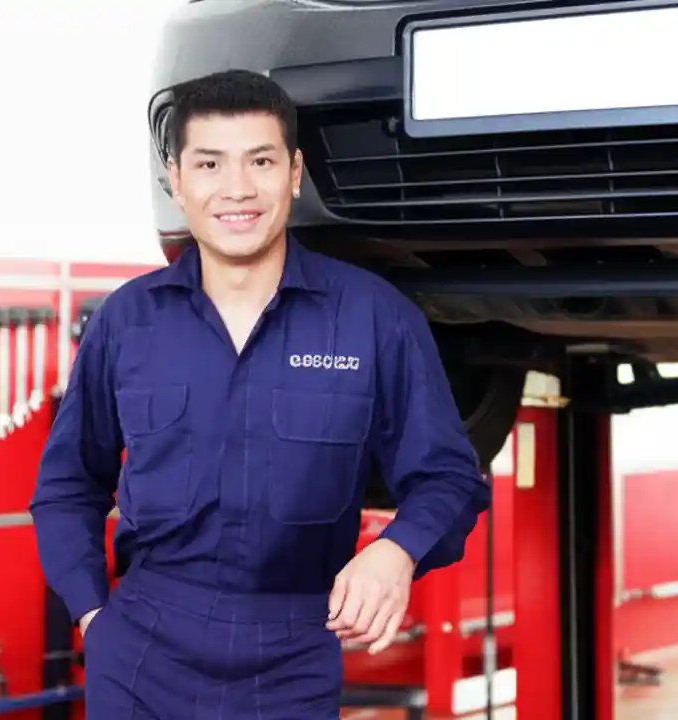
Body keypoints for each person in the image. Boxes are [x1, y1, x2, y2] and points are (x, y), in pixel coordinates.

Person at [29, 69, 491, 719]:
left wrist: (398, 551)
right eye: (210, 163)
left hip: (292, 649)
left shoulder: (374, 318)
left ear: (295, 173)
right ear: (177, 178)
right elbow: (69, 484)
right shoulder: (127, 321)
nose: (237, 189)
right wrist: (91, 613)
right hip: (142, 645)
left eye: (261, 160)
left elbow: (449, 478)